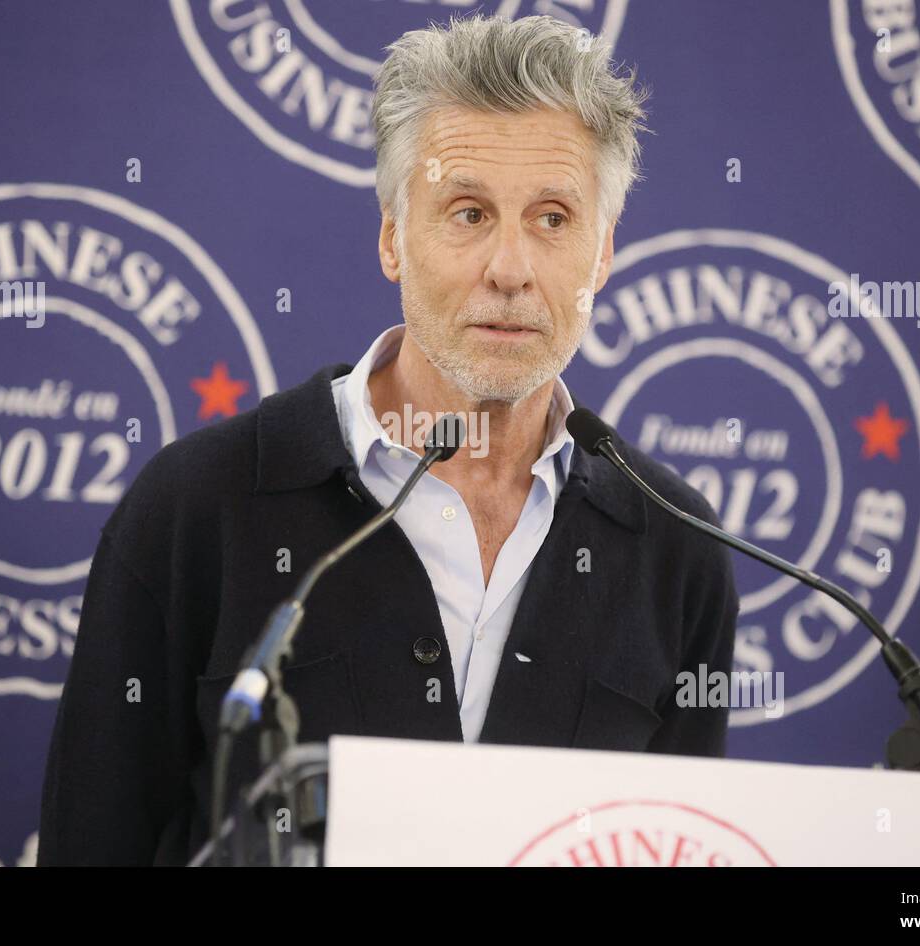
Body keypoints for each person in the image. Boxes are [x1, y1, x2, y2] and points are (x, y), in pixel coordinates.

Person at [38, 14, 738, 866]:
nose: (511, 268)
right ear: (393, 239)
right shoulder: (195, 508)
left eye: (554, 219)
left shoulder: (674, 544)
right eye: (468, 212)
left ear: (601, 257)